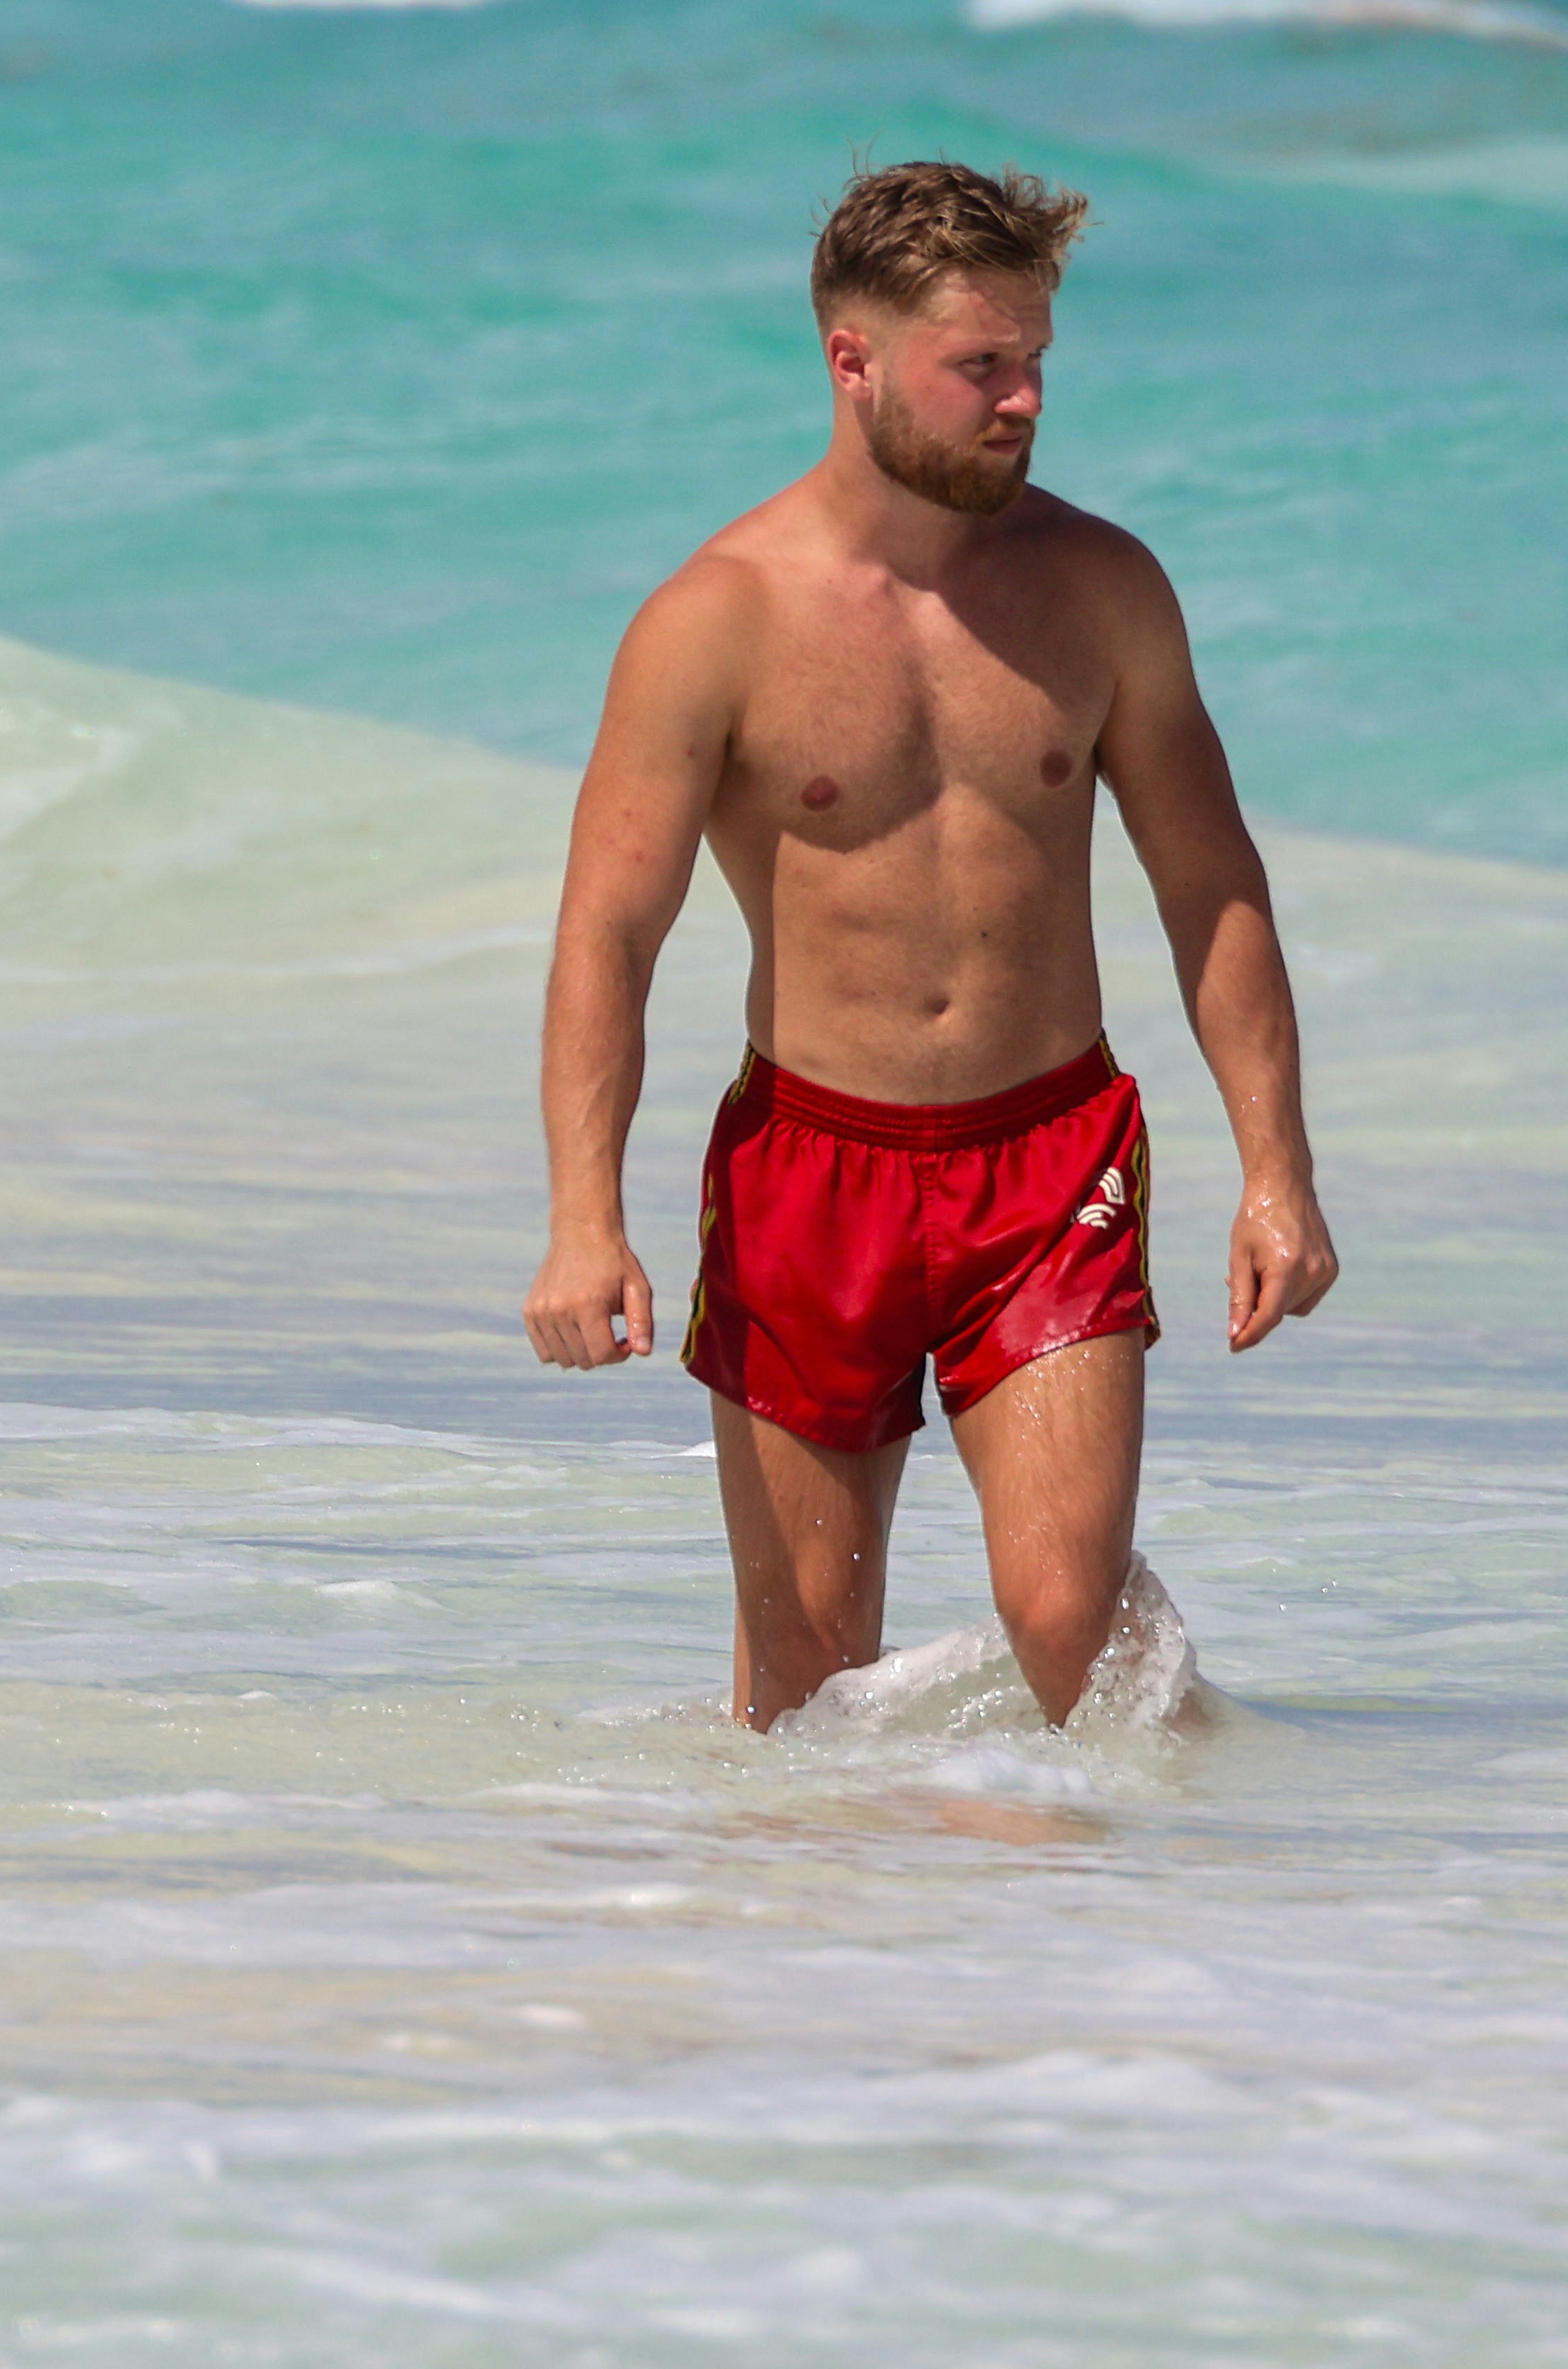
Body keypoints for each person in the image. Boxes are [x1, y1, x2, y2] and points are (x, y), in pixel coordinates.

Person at [521, 159, 1338, 1732]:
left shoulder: (1102, 589)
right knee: (807, 1686)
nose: (1025, 399)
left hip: (1049, 1162)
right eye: (983, 366)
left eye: (1037, 360)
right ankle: (865, 1964)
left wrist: (1276, 1167)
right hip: (807, 1172)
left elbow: (1209, 880)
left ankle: (1157, 1881)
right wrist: (581, 1218)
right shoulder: (715, 621)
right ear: (854, 362)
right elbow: (608, 935)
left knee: (1064, 1625)